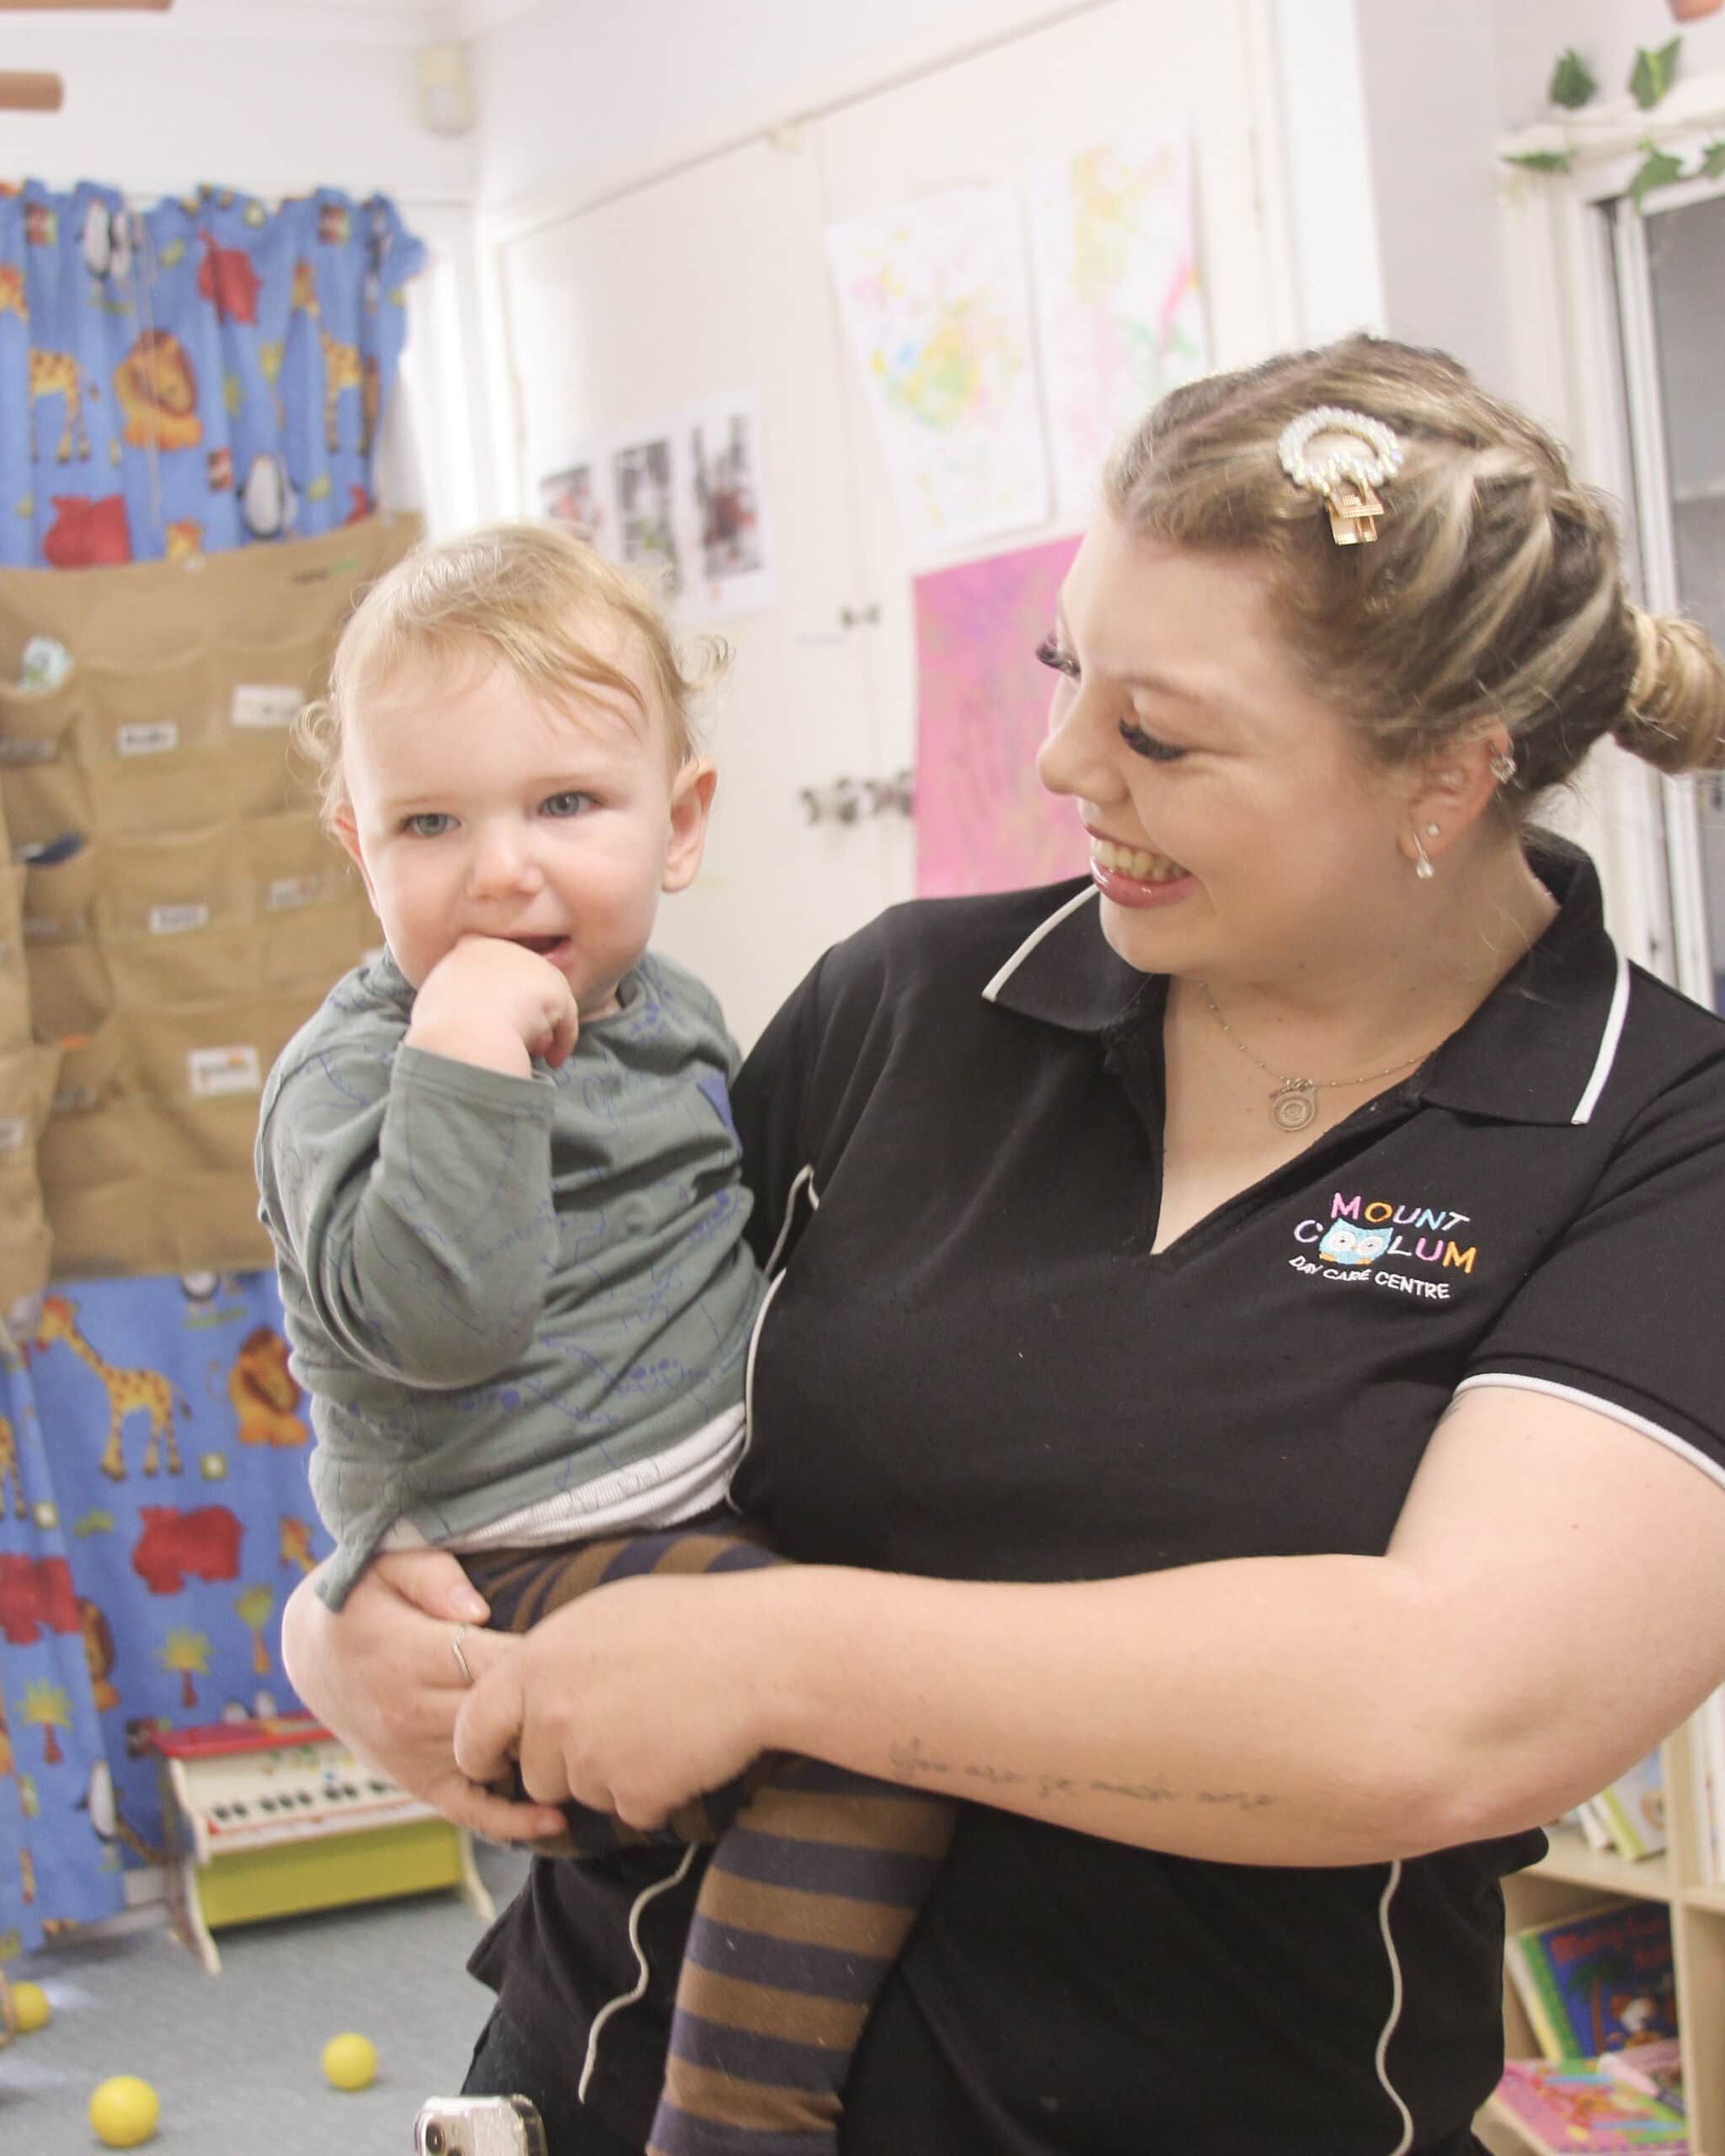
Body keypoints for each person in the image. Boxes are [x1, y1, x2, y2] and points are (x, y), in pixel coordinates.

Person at [283, 338, 1725, 2156]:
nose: (1057, 764)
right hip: (601, 2082)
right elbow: (540, 1350)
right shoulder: (913, 999)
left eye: (1158, 733)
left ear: (1441, 778)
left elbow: (1442, 1701)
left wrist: (783, 1656)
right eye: (1067, 672)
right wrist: (338, 1607)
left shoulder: (1661, 1138)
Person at [256, 522, 955, 2156]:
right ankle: (737, 2115)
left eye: (565, 803)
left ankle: (533, 2100)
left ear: (680, 819)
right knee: (873, 1737)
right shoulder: (357, 1071)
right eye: (431, 822)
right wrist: (466, 1051)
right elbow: (441, 1322)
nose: (501, 870)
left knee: (814, 1723)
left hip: (677, 1510)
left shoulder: (680, 1016)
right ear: (356, 840)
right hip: (514, 1545)